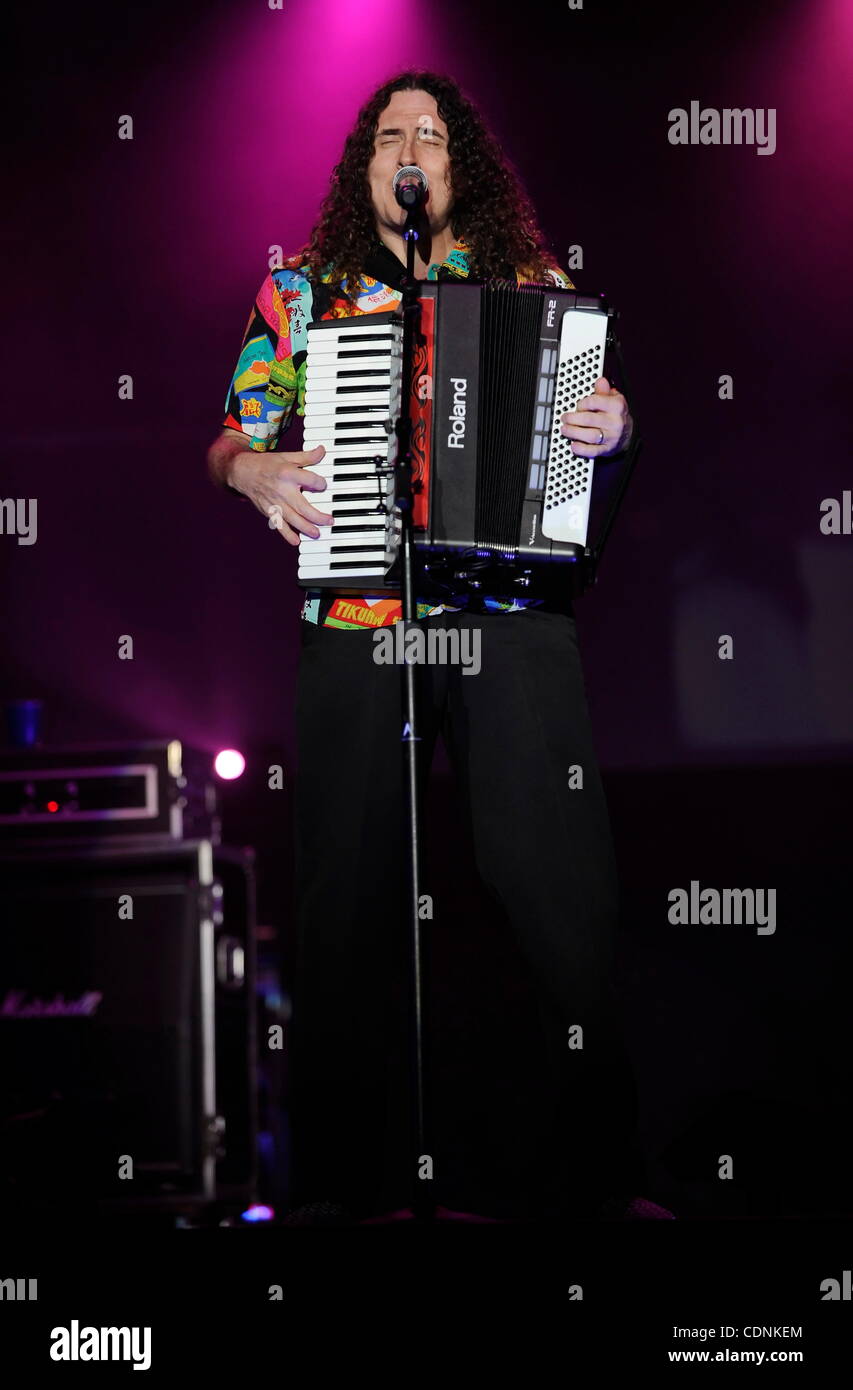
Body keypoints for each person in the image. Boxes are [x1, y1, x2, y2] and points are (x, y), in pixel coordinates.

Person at [207, 69, 646, 1223]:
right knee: (348, 905)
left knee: (560, 898)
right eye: (389, 133)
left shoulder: (530, 286)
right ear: (366, 167)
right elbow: (232, 437)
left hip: (505, 619)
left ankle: (586, 1188)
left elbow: (599, 424)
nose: (410, 146)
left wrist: (616, 428)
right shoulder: (300, 293)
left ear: (464, 171)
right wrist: (247, 464)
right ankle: (355, 1198)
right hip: (360, 621)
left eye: (433, 135)